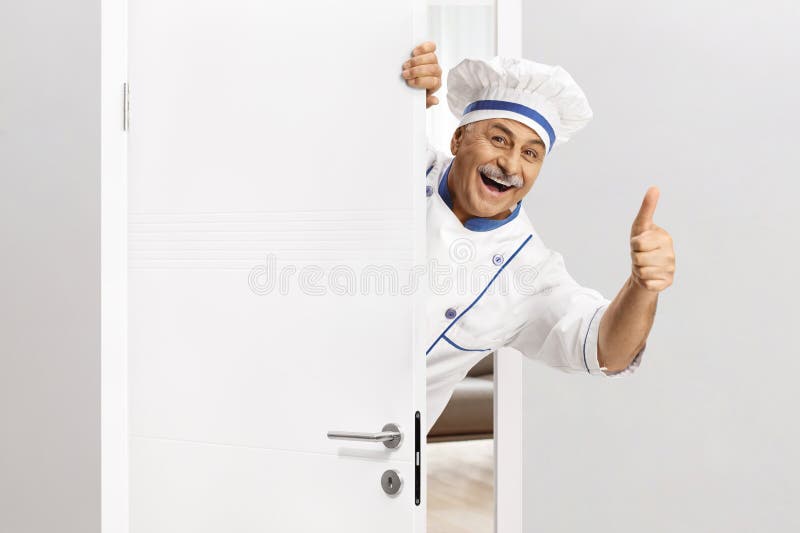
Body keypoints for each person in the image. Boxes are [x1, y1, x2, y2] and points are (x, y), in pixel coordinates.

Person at [402, 42, 676, 432]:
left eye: (530, 154)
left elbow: (608, 351)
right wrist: (399, 91)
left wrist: (643, 287)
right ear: (457, 139)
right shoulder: (404, 165)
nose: (510, 164)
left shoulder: (528, 271)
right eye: (499, 140)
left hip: (384, 452)